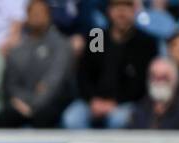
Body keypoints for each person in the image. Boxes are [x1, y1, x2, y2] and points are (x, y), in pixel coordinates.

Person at [64, 0, 157, 131]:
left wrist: (115, 102)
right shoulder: (98, 36)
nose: (121, 12)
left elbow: (140, 84)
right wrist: (92, 100)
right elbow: (84, 74)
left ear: (134, 10)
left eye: (126, 7)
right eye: (117, 7)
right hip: (93, 101)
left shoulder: (144, 42)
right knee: (72, 119)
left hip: (125, 103)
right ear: (109, 10)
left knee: (119, 120)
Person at [0, 0, 70, 129]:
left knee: (45, 114)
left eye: (40, 12)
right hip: (20, 105)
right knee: (2, 116)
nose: (37, 16)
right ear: (26, 16)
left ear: (49, 16)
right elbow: (11, 84)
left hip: (51, 103)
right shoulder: (18, 49)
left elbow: (54, 83)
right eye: (33, 13)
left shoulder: (61, 45)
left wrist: (32, 105)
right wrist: (20, 102)